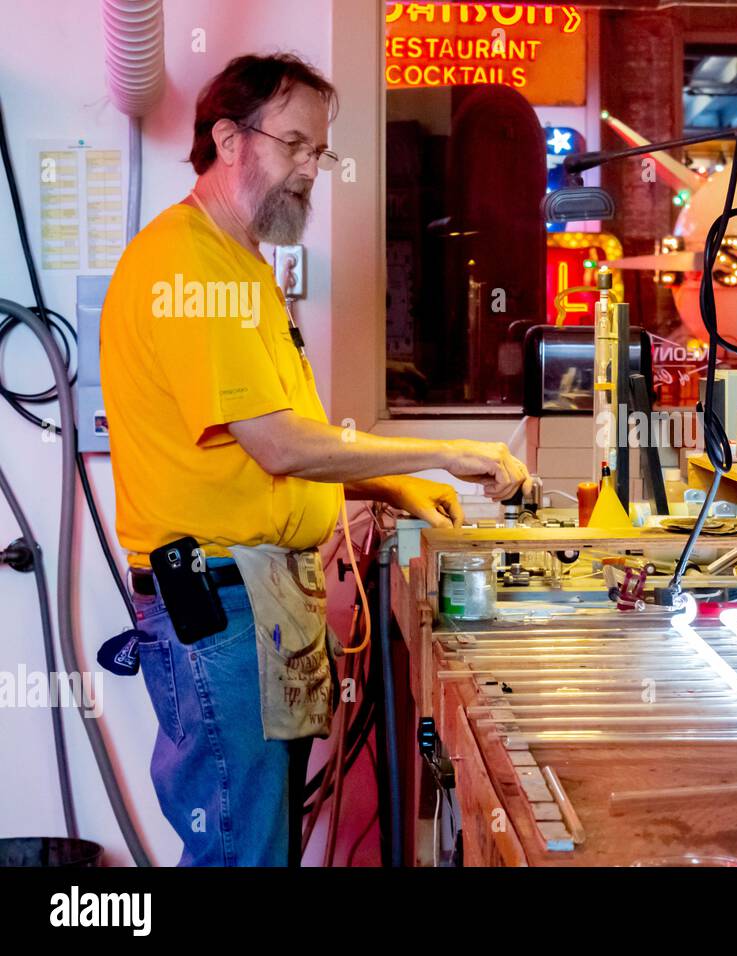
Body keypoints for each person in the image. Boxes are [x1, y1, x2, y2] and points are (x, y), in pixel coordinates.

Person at [100, 53, 529, 866]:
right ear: (228, 139)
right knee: (242, 852)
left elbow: (280, 445)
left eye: (319, 152)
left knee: (260, 847)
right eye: (295, 144)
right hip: (219, 615)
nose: (311, 170)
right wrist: (443, 453)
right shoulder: (186, 264)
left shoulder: (242, 265)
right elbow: (280, 443)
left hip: (257, 606)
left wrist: (395, 483)